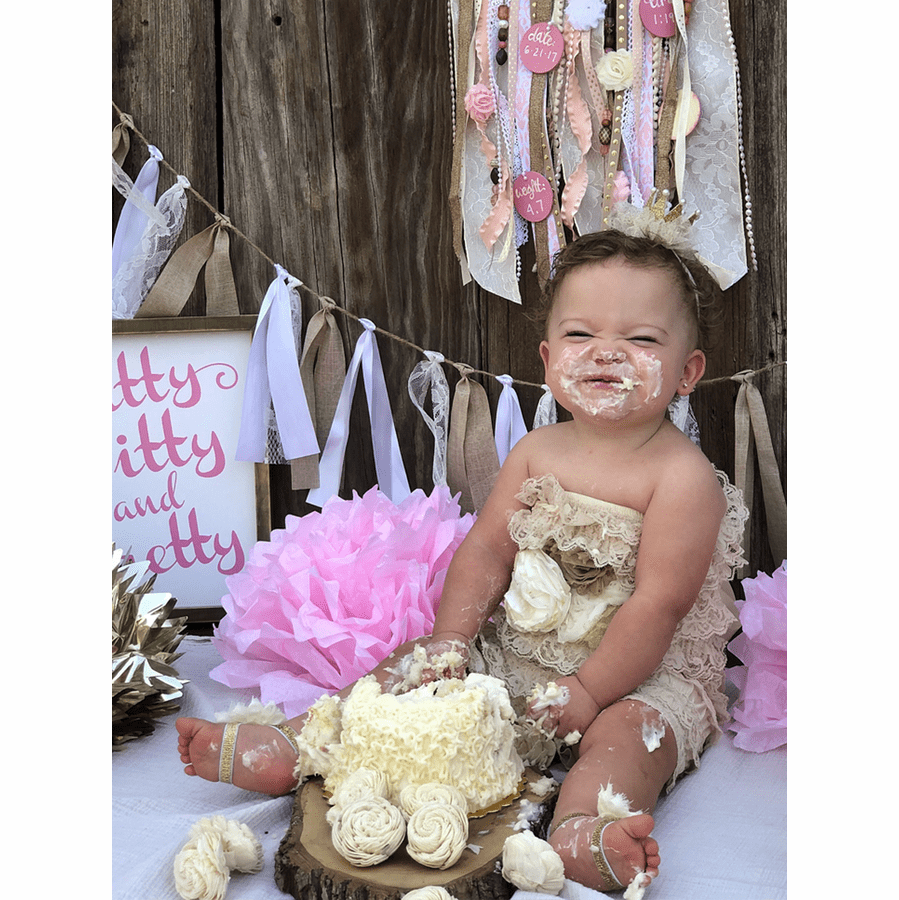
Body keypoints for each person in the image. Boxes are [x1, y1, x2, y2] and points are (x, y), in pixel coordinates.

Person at [177, 221, 747, 893]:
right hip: (518, 652)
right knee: (408, 672)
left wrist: (592, 691)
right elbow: (486, 552)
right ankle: (299, 741)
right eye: (580, 335)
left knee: (628, 740)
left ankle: (585, 829)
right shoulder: (538, 452)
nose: (606, 354)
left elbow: (659, 603)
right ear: (545, 356)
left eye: (640, 339)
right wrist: (450, 638)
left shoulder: (681, 479)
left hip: (641, 674)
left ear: (686, 371)